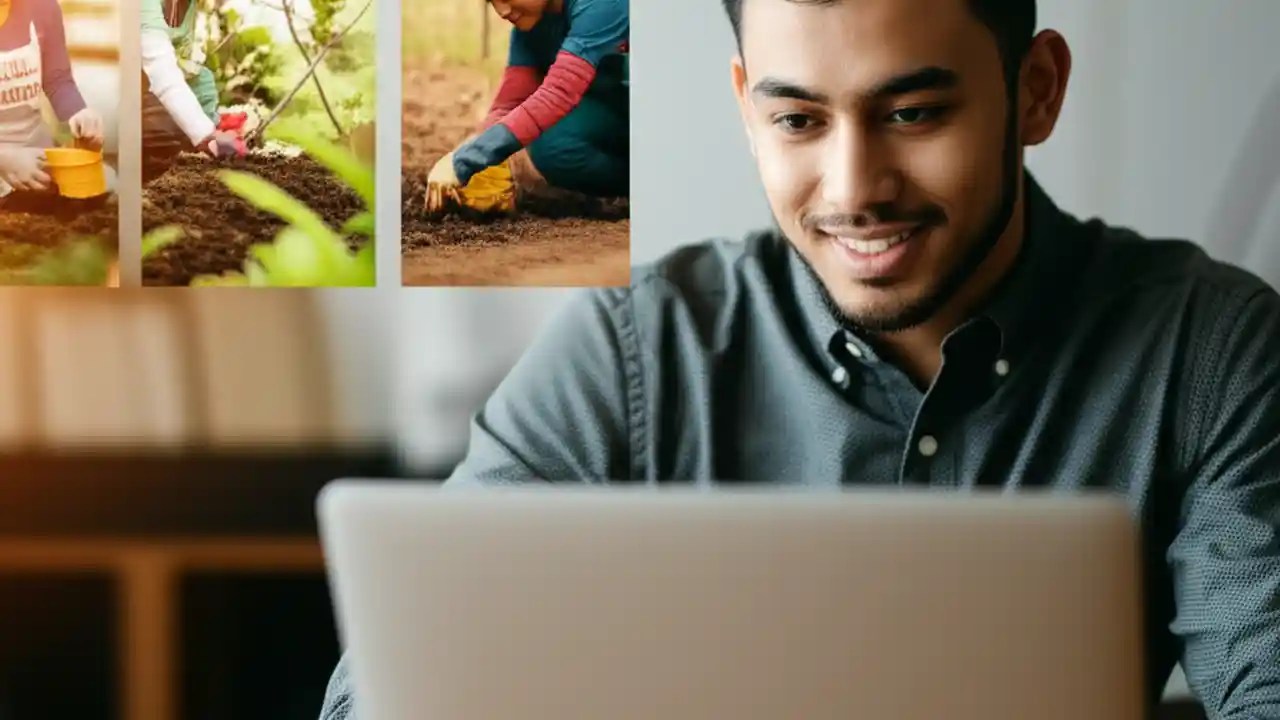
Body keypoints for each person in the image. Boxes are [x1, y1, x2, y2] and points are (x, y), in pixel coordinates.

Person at [322, 0, 1280, 717]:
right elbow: (379, 695)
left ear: (1036, 92)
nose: (855, 190)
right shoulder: (629, 355)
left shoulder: (1212, 351)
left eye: (912, 114)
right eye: (799, 120)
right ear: (747, 105)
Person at [425, 0, 628, 214]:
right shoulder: (535, 25)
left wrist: (467, 160)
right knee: (552, 145)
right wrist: (487, 164)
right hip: (621, 114)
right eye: (492, 2)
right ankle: (637, 186)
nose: (502, 11)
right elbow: (510, 102)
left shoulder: (602, 4)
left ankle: (662, 184)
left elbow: (559, 93)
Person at [0, 0, 104, 200]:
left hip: (34, 155)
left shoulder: (42, 7)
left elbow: (57, 79)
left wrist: (78, 112)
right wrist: (3, 157)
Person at [141, 0, 245, 182]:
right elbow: (161, 71)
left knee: (204, 81)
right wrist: (207, 135)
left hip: (164, 93)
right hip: (129, 94)